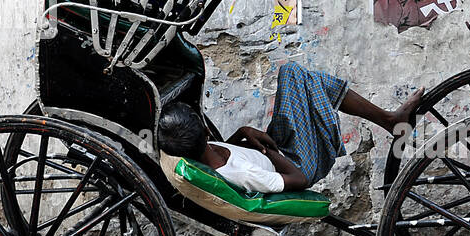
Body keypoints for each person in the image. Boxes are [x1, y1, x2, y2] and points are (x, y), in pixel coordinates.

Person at [158, 62, 422, 192]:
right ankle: (387, 121)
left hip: (280, 148)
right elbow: (299, 179)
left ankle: (389, 120)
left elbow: (231, 154)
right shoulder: (242, 174)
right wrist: (265, 153)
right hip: (298, 163)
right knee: (297, 75)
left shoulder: (207, 152)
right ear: (205, 132)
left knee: (293, 75)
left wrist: (243, 133)